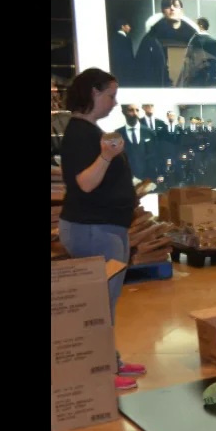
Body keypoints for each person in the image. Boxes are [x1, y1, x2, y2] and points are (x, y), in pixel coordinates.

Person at [57, 69, 148, 392]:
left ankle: (110, 360)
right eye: (110, 95)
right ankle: (101, 371)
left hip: (105, 228)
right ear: (94, 93)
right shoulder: (81, 134)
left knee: (106, 301)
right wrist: (108, 157)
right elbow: (84, 183)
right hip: (93, 230)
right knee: (100, 305)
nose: (114, 102)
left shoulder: (88, 132)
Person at [117, 104, 158, 182]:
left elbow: (155, 156)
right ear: (123, 112)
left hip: (149, 181)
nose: (135, 113)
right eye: (131, 110)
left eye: (137, 110)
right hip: (127, 181)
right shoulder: (118, 134)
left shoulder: (150, 133)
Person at [108, 21, 134, 86]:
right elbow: (129, 56)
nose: (130, 28)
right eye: (128, 26)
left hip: (115, 68)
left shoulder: (112, 38)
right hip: (126, 69)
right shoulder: (126, 39)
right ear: (122, 26)